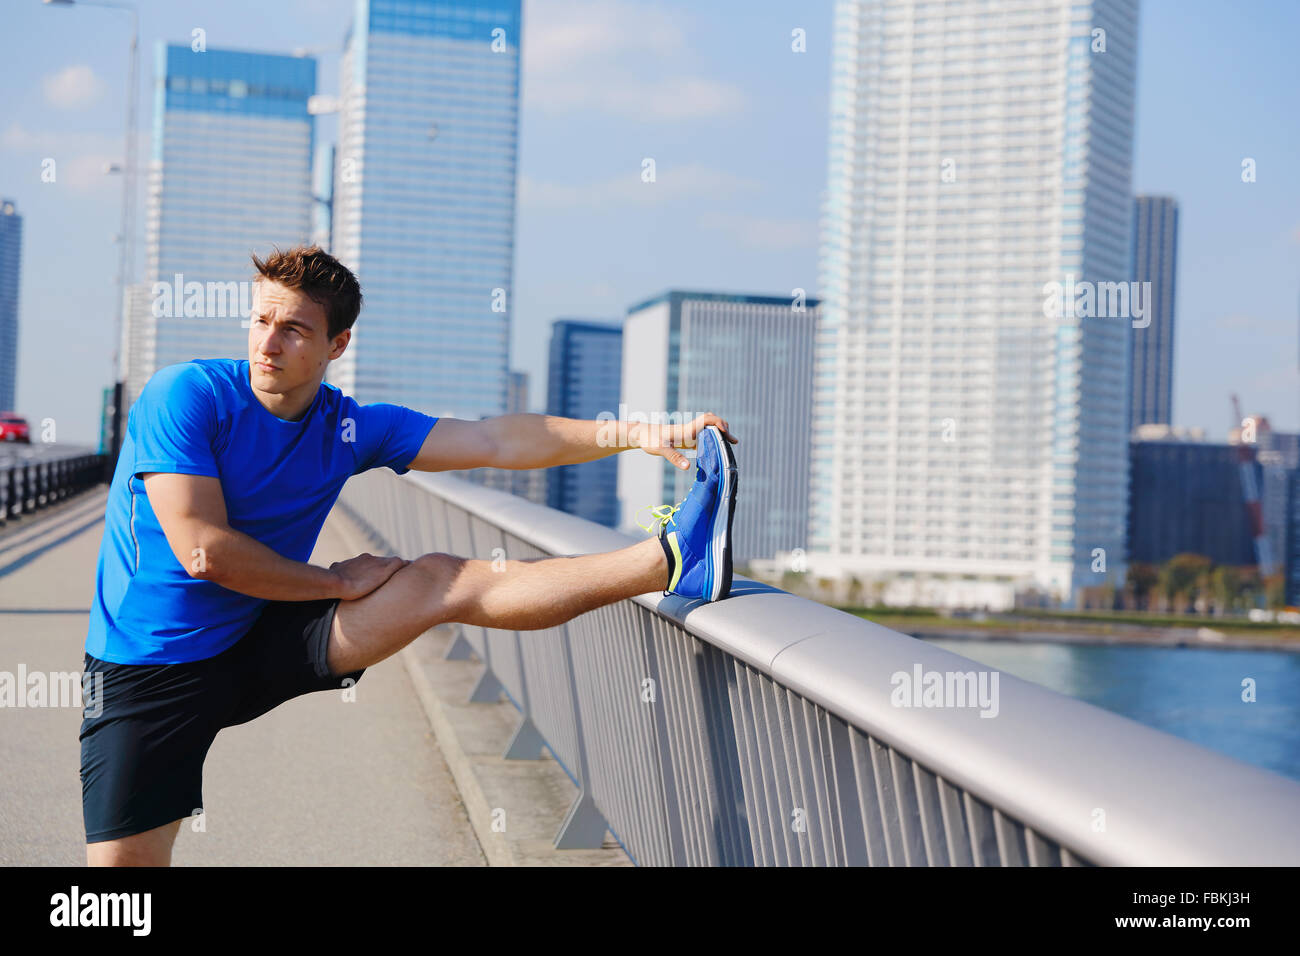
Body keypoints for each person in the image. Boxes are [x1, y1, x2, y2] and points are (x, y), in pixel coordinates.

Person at [79, 244, 738, 866]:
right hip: (148, 668)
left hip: (259, 636)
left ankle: (668, 560)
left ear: (338, 344)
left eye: (295, 331)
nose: (268, 343)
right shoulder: (187, 396)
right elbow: (203, 551)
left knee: (438, 580)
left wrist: (637, 433)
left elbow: (496, 440)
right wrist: (334, 579)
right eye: (261, 321)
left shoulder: (349, 427)